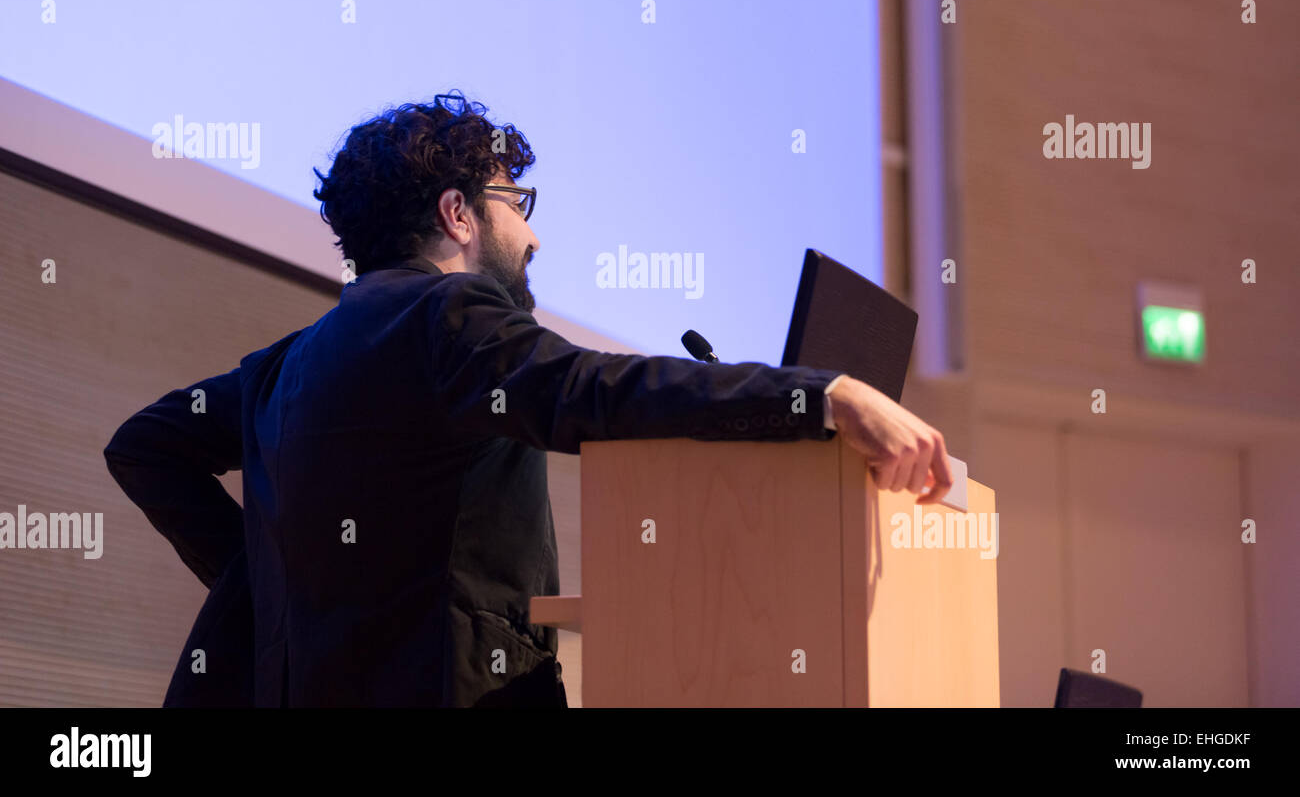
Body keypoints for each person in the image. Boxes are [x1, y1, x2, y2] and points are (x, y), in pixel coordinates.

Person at [103, 91, 951, 707]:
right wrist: (824, 396)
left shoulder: (280, 367)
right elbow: (596, 390)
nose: (534, 231)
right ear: (459, 214)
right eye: (516, 201)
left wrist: (269, 586)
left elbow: (144, 445)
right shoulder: (449, 315)